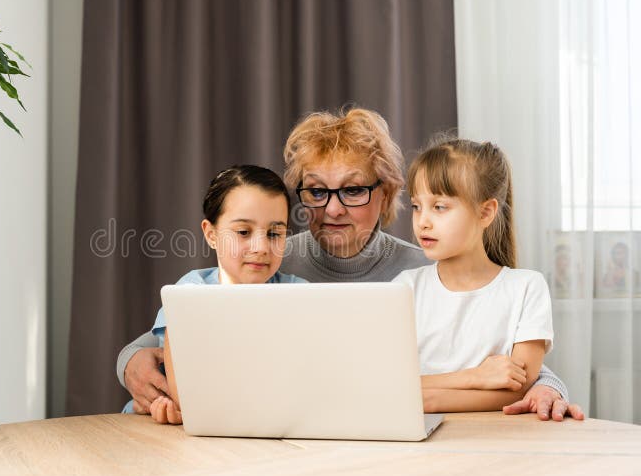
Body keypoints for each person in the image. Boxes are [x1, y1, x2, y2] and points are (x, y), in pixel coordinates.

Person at [117, 108, 584, 421]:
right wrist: (131, 362)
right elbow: (175, 328)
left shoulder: (421, 269)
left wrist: (550, 387)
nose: (333, 209)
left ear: (386, 195)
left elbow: (506, 354)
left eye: (353, 190)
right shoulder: (273, 256)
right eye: (316, 191)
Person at [125, 165, 307, 424]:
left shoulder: (301, 294)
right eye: (243, 232)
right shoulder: (189, 293)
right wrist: (181, 407)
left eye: (274, 233)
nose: (261, 247)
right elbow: (183, 395)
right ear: (211, 234)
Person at [394, 138, 552, 412]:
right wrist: (475, 377)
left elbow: (520, 389)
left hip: (499, 439)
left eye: (439, 207)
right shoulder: (406, 287)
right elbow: (388, 383)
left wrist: (428, 398)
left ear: (486, 212)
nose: (423, 221)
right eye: (417, 206)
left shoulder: (527, 287)